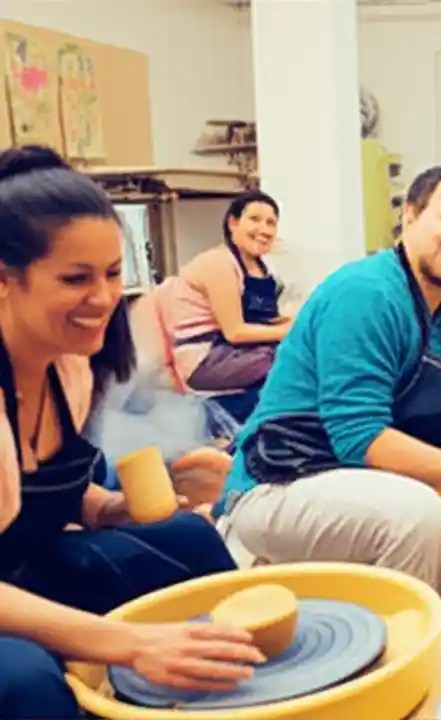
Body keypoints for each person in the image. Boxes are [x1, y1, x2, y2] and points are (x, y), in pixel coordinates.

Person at [0, 146, 261, 718]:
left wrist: (134, 502)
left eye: (113, 273)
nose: (103, 298)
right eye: (75, 278)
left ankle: (250, 691)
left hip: (25, 561)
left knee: (188, 538)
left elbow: (53, 496)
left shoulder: (68, 366)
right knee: (26, 680)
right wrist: (132, 644)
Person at [216, 165, 441, 591]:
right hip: (281, 484)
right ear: (410, 217)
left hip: (348, 474)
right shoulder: (367, 294)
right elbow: (360, 437)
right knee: (416, 513)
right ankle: (411, 646)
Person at [156, 192, 290, 410]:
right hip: (207, 359)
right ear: (233, 223)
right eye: (254, 219)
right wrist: (289, 332)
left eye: (271, 223)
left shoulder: (261, 267)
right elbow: (235, 331)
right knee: (292, 357)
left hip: (239, 353)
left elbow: (263, 321)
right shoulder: (219, 263)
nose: (264, 230)